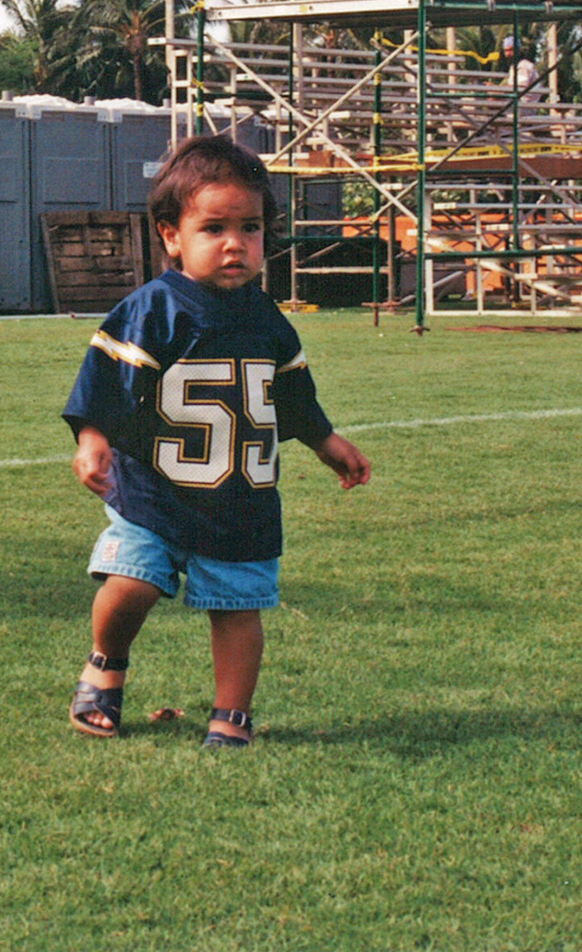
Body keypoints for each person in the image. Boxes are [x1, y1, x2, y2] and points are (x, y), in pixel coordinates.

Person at [61, 136, 371, 747]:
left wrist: (326, 441)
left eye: (250, 227)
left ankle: (232, 714)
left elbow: (292, 397)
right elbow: (105, 382)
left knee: (238, 608)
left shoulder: (269, 320)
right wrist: (93, 438)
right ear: (171, 235)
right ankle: (106, 663)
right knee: (131, 586)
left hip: (241, 499)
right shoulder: (151, 312)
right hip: (153, 492)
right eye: (214, 227)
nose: (235, 243)